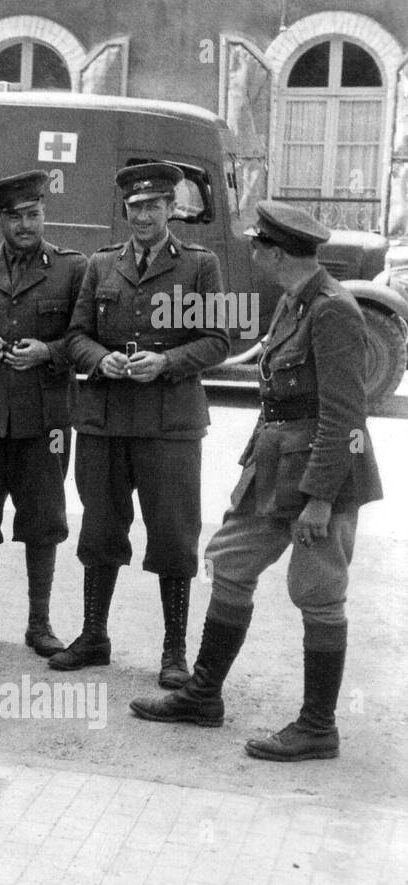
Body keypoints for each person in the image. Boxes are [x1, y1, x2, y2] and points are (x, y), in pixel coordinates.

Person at [131, 201, 382, 761]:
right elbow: (275, 397)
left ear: (273, 251)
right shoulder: (295, 300)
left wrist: (318, 500)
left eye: (257, 246)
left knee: (318, 592)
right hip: (274, 466)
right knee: (230, 560)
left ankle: (318, 726)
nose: (254, 254)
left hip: (324, 474)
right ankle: (203, 695)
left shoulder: (333, 309)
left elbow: (344, 415)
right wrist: (252, 466)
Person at [56, 162, 228, 687]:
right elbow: (76, 336)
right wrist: (98, 359)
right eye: (135, 208)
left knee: (174, 534)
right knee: (101, 528)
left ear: (171, 209)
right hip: (105, 419)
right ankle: (93, 636)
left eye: (154, 206)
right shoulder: (101, 264)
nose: (145, 216)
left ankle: (174, 651)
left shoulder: (199, 265)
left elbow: (219, 340)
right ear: (125, 211)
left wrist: (168, 363)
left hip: (169, 422)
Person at [0, 171, 84, 656]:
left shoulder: (71, 268)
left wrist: (49, 352)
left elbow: (86, 338)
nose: (26, 225)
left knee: (43, 520)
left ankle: (39, 623)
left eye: (34, 214)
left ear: (44, 213)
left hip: (43, 421)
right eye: (15, 216)